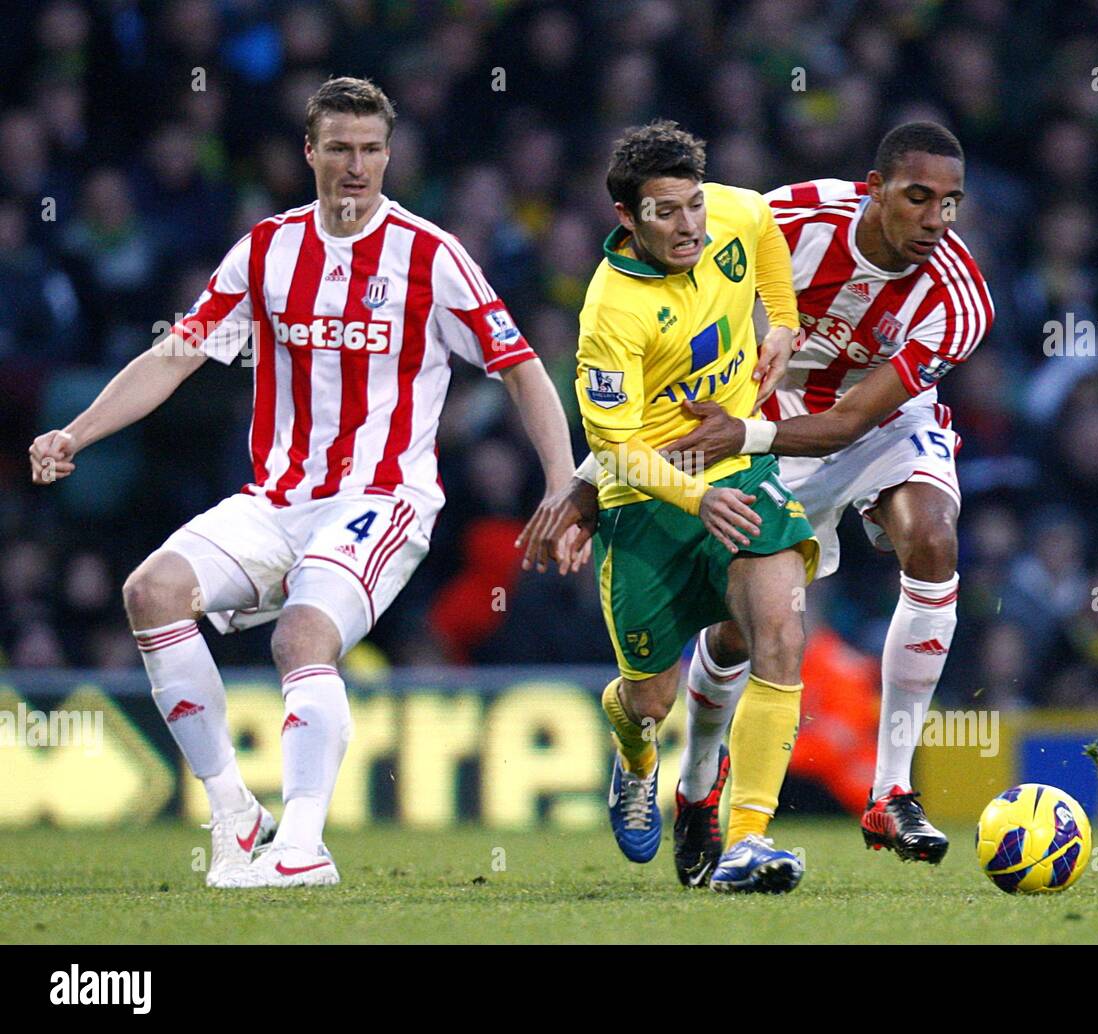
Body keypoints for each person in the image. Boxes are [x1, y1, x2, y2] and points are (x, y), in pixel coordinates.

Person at [29, 77, 576, 889]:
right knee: (150, 593)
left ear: (389, 156)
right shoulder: (266, 249)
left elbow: (522, 368)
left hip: (384, 498)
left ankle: (305, 847)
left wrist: (560, 484)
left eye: (370, 150)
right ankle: (235, 811)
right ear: (310, 152)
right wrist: (77, 431)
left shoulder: (432, 255)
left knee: (299, 640)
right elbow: (174, 356)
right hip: (278, 498)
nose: (356, 166)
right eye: (340, 149)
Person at [520, 122, 993, 878]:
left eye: (952, 204)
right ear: (873, 192)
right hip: (753, 411)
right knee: (731, 635)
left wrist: (745, 425)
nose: (937, 220)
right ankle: (698, 786)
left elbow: (845, 423)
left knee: (930, 540)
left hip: (860, 424)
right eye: (918, 198)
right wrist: (587, 484)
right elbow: (668, 369)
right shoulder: (787, 220)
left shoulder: (960, 300)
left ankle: (891, 787)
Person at [563, 119, 819, 892]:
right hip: (647, 492)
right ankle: (638, 756)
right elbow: (612, 447)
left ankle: (748, 838)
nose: (690, 226)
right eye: (667, 213)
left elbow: (767, 230)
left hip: (736, 465)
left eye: (695, 205)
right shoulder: (610, 314)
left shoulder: (731, 214)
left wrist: (785, 320)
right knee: (651, 695)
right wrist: (692, 496)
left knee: (779, 625)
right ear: (627, 218)